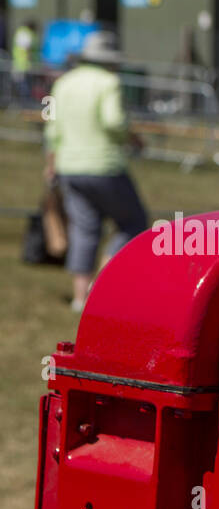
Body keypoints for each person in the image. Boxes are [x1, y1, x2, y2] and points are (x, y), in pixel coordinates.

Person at [43, 30, 147, 313]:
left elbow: (52, 130)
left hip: (68, 167)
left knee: (84, 229)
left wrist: (51, 165)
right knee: (133, 222)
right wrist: (132, 137)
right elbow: (114, 122)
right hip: (105, 166)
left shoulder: (63, 83)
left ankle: (80, 297)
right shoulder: (109, 82)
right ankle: (103, 283)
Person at [11, 20, 37, 104]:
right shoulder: (25, 33)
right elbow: (27, 49)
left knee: (20, 84)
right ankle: (25, 103)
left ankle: (21, 102)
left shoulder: (20, 31)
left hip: (18, 62)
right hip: (24, 64)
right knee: (24, 85)